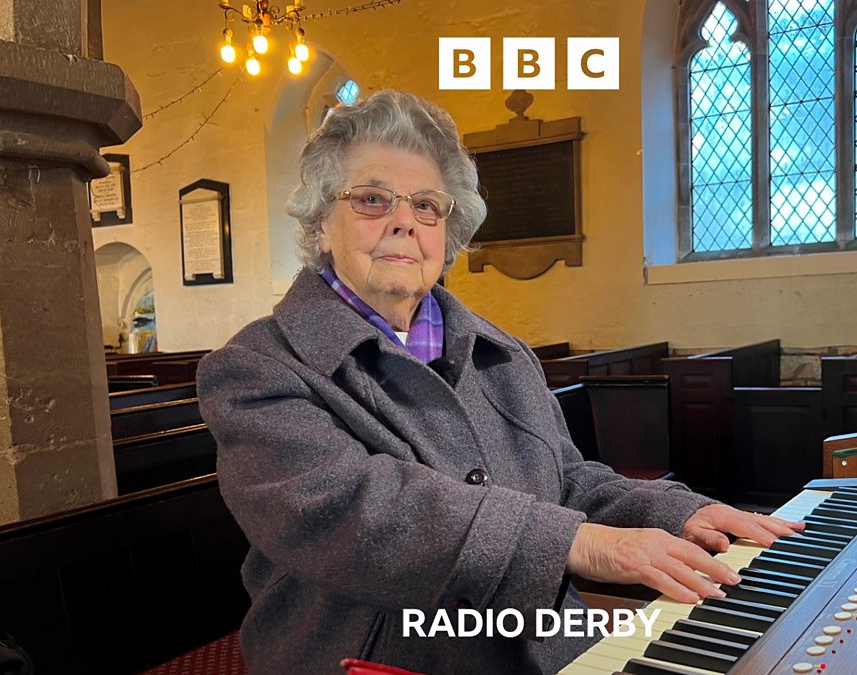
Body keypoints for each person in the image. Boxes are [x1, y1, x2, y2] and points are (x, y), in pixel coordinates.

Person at [196, 90, 802, 675]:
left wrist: (677, 512)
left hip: (543, 644)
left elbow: (565, 479)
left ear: (446, 236)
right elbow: (360, 513)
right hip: (377, 657)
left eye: (427, 205)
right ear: (321, 222)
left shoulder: (500, 353)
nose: (405, 222)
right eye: (373, 199)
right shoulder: (258, 369)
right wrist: (581, 544)